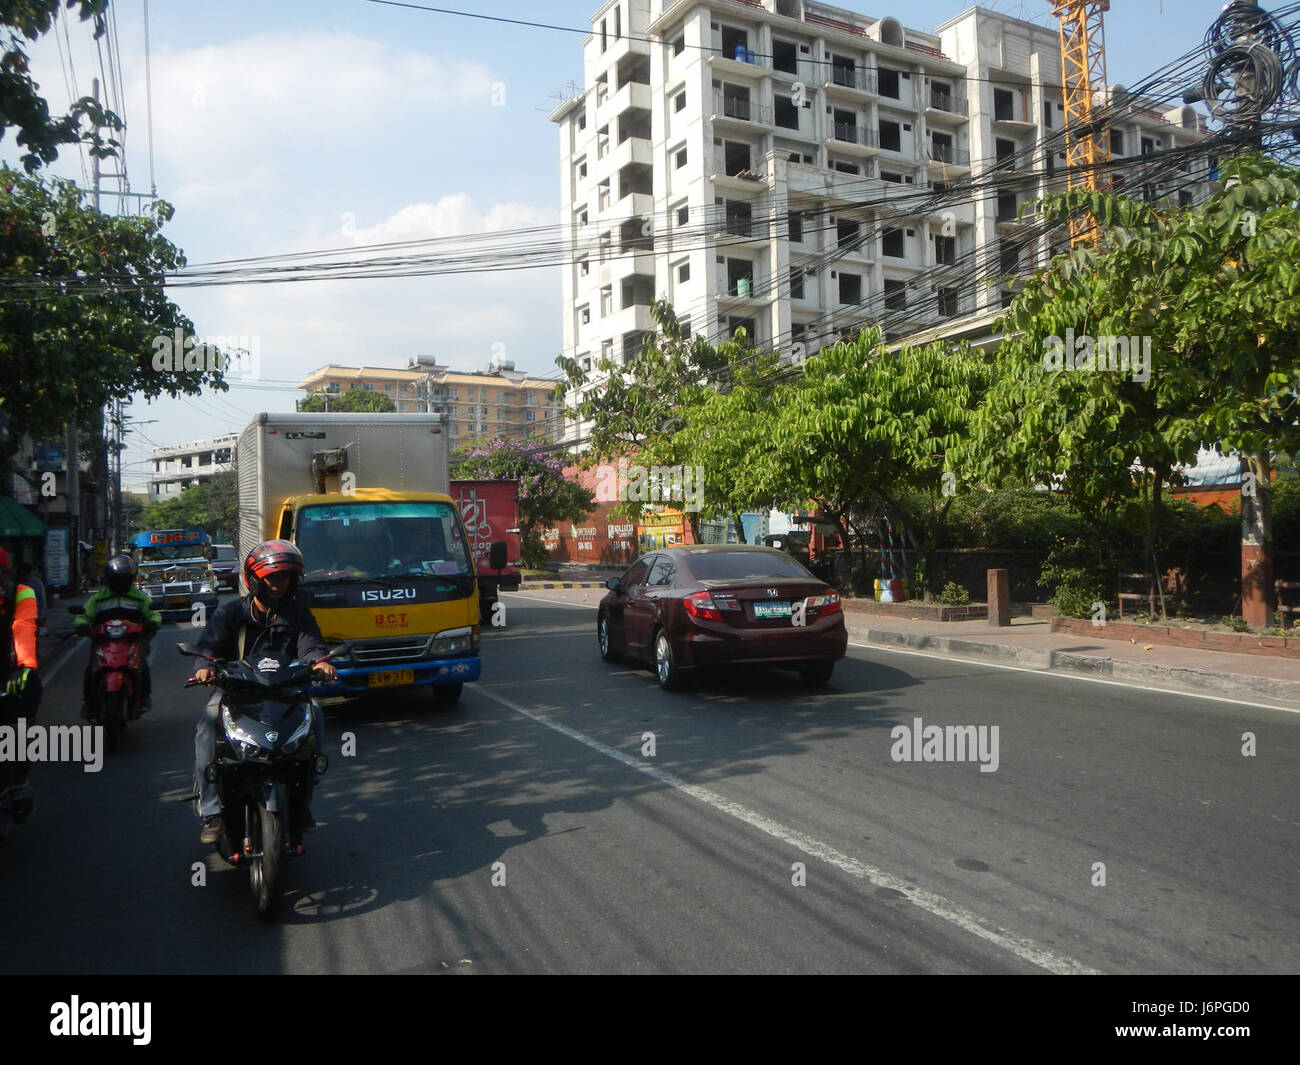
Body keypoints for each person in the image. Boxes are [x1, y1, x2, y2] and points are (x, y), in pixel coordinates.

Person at [190, 539, 337, 844]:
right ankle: (212, 811)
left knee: (317, 717)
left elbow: (313, 646)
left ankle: (303, 804)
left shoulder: (299, 614)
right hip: (236, 692)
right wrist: (205, 666)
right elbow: (209, 645)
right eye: (271, 578)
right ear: (255, 579)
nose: (277, 585)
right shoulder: (231, 614)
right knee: (206, 728)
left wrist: (320, 665)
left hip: (284, 692)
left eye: (284, 578)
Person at [74, 555, 161, 717]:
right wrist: (81, 625)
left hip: (133, 641)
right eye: (116, 579)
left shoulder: (140, 598)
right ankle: (89, 702)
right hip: (104, 642)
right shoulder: (99, 599)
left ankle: (143, 698)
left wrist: (152, 622)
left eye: (124, 579)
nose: (120, 583)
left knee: (141, 666)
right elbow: (84, 615)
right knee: (92, 669)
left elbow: (153, 613)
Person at [0, 547, 41, 817]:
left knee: (19, 727)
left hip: (10, 671)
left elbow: (23, 629)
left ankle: (19, 783)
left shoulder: (21, 592)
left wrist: (24, 668)